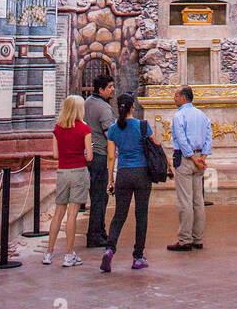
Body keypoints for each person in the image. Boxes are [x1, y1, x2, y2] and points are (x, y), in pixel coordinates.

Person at [102, 92, 163, 271]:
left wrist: (110, 180)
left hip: (123, 173)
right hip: (142, 173)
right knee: (141, 215)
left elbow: (111, 157)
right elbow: (155, 145)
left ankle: (109, 250)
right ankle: (138, 256)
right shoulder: (142, 126)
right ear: (132, 108)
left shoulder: (113, 129)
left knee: (119, 215)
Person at [44, 95, 92, 266]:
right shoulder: (84, 129)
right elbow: (90, 156)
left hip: (62, 171)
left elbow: (55, 155)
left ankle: (49, 253)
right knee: (72, 214)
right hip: (78, 170)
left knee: (58, 213)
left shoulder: (58, 128)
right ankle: (69, 254)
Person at [167, 85, 212, 252]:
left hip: (185, 159)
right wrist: (203, 157)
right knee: (198, 200)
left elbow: (181, 138)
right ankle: (198, 238)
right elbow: (208, 136)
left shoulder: (179, 116)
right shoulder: (202, 115)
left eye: (176, 96)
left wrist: (192, 157)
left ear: (184, 97)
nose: (174, 98)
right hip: (200, 159)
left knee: (185, 200)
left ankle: (185, 239)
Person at [84, 73, 115, 248]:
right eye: (109, 87)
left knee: (96, 195)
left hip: (90, 153)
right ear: (101, 90)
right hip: (101, 154)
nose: (112, 90)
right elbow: (109, 133)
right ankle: (95, 235)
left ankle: (98, 231)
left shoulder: (87, 102)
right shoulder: (103, 108)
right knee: (100, 197)